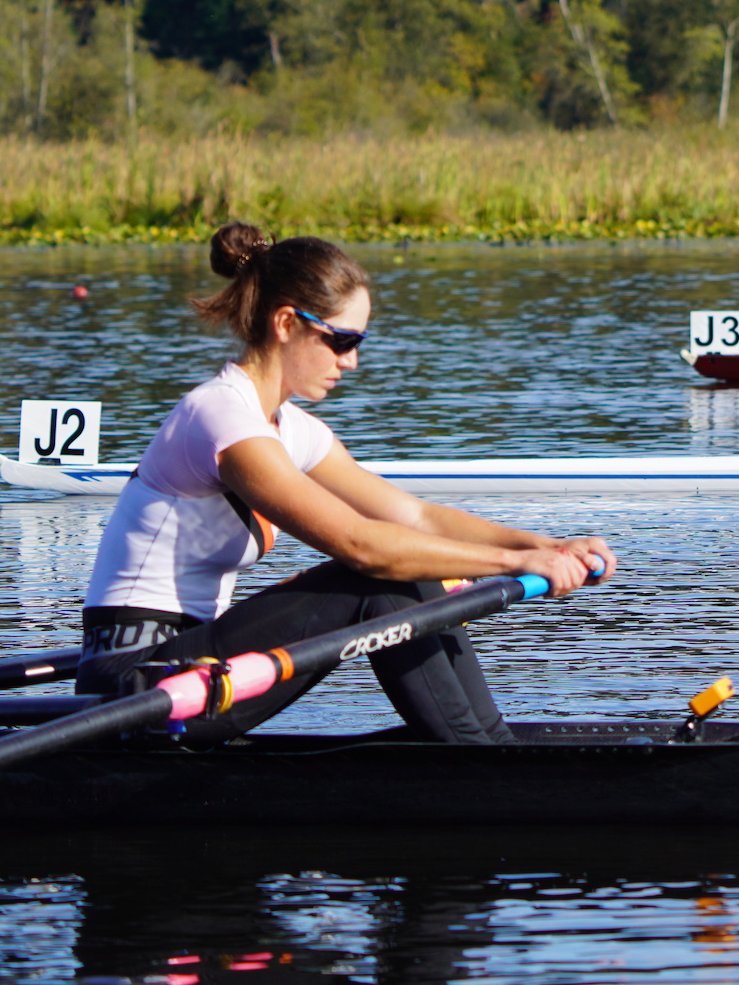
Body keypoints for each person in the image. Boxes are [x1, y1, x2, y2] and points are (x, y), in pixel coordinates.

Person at [76, 223, 616, 742]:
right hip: (135, 687)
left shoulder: (293, 430)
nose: (352, 361)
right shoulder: (221, 418)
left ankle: (486, 749)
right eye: (340, 340)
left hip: (196, 672)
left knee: (412, 566)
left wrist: (546, 545)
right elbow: (362, 545)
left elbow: (414, 517)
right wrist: (516, 565)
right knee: (381, 578)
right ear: (286, 323)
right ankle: (487, 768)